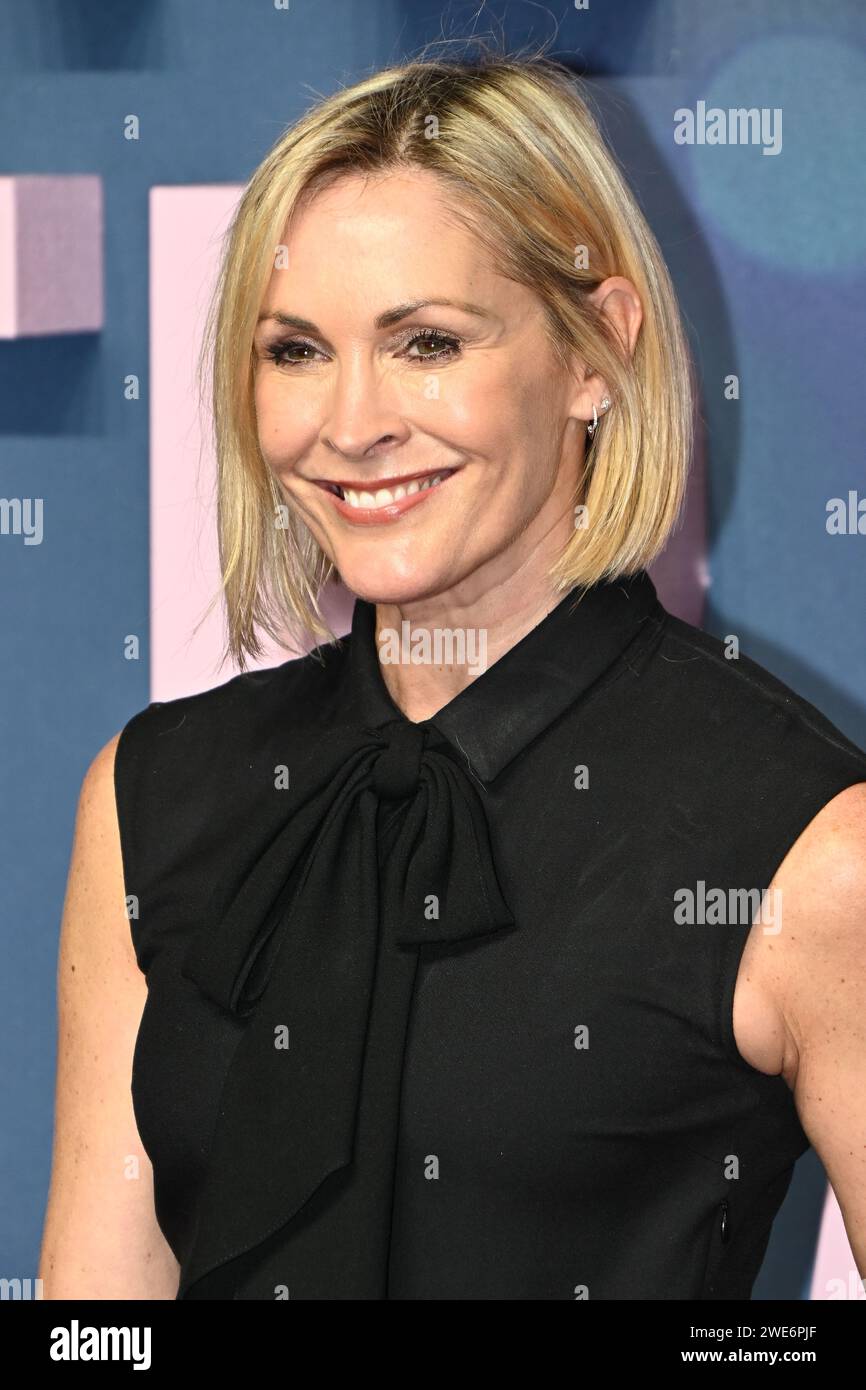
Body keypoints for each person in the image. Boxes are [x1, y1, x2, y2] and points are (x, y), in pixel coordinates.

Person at [39, 52, 866, 1300]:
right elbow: (99, 1318)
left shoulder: (804, 840)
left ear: (597, 353)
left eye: (425, 342)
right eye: (296, 350)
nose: (351, 422)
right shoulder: (155, 797)